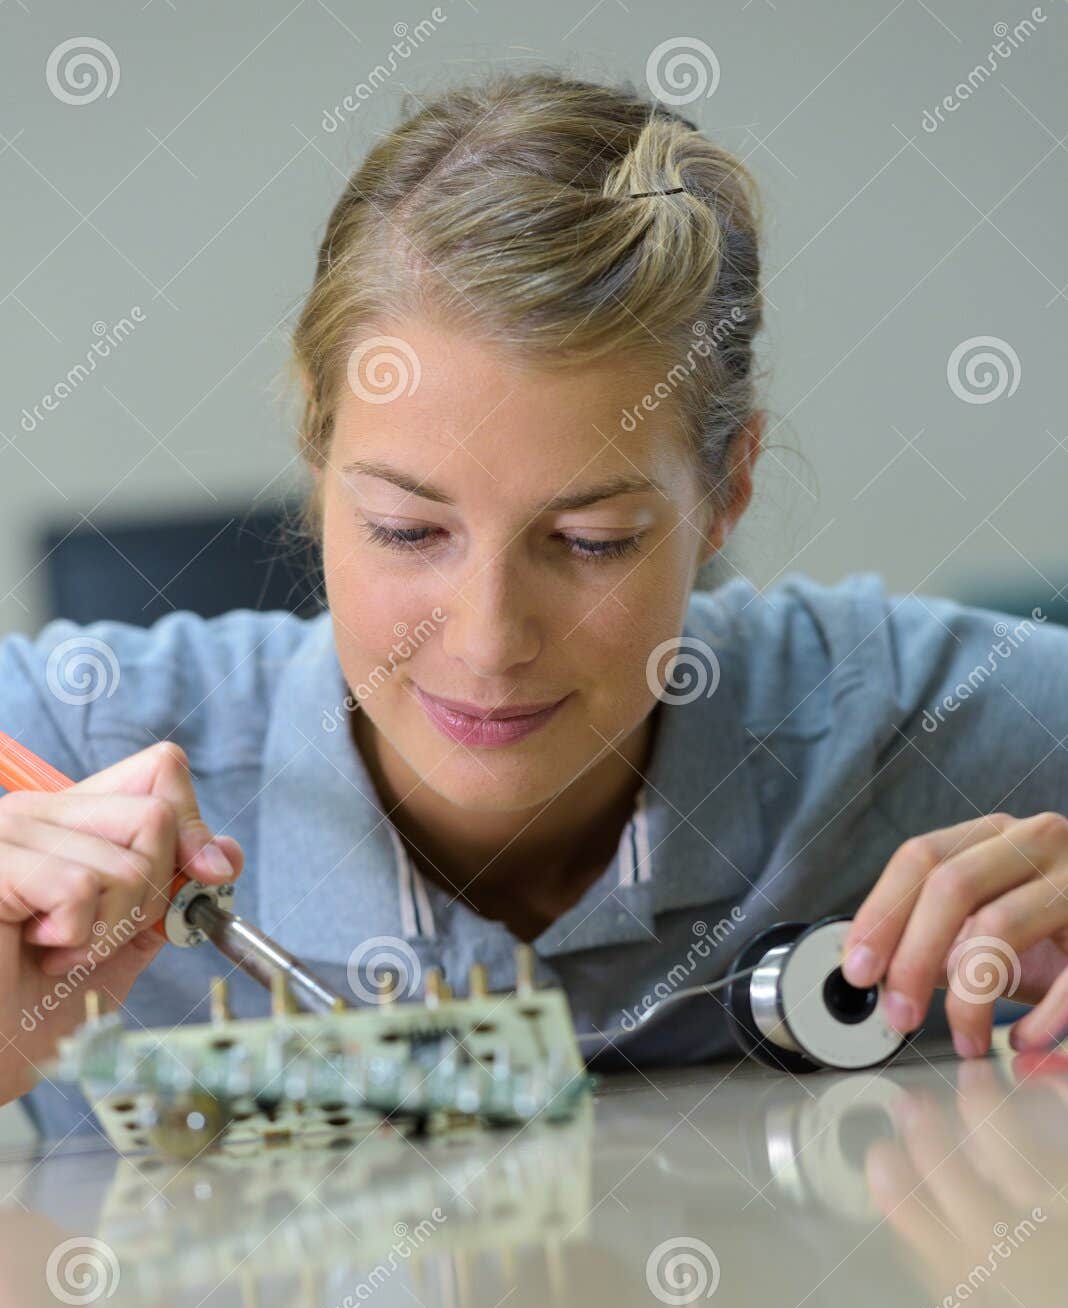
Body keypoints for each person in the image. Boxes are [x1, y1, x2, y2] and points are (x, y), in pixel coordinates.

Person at [2, 68, 1068, 1144]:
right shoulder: (61, 745)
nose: (488, 641)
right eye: (407, 530)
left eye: (590, 541)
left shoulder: (930, 730)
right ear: (317, 464)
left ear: (728, 489)